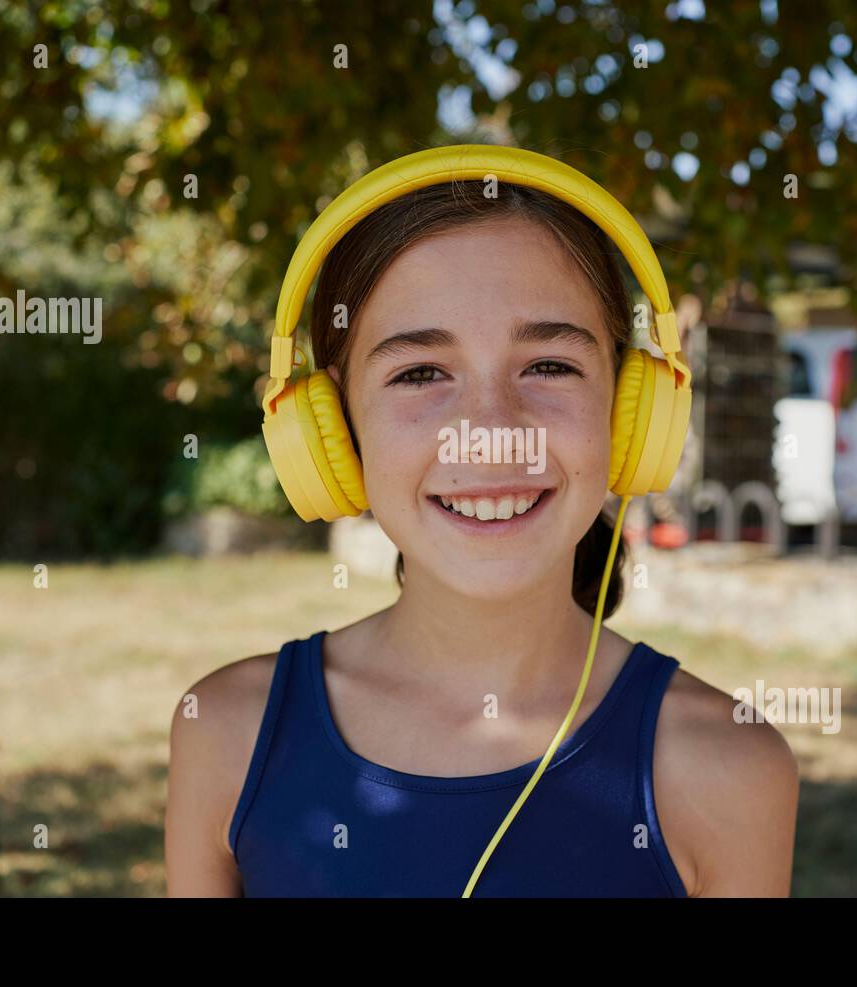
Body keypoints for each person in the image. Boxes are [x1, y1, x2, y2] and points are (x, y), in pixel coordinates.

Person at [165, 175, 798, 897]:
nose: (491, 432)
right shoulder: (227, 734)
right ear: (335, 427)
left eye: (550, 366)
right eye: (420, 372)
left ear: (630, 412)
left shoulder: (731, 769)